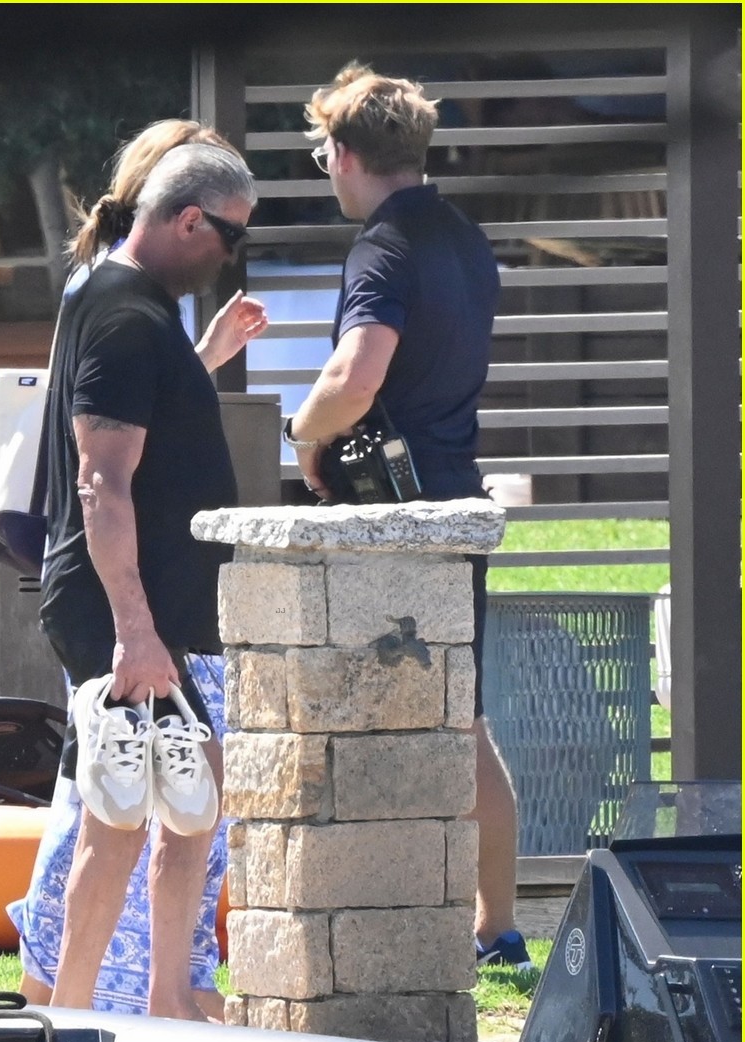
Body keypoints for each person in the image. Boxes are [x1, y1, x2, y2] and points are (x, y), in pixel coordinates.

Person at [11, 137, 265, 1018]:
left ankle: (165, 1009)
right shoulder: (122, 313)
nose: (232, 256)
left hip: (171, 613)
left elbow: (147, 422)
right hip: (130, 615)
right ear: (190, 219)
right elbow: (101, 481)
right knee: (115, 817)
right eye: (230, 237)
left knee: (193, 811)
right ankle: (69, 1020)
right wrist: (133, 630)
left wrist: (207, 356)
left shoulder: (137, 309)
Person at [289, 62, 530, 969]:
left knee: (379, 717)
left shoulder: (384, 246)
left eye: (322, 155)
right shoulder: (465, 237)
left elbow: (357, 376)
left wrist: (301, 432)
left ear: (345, 155)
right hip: (455, 497)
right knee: (463, 724)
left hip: (397, 514)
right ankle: (498, 927)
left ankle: (388, 919)